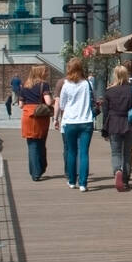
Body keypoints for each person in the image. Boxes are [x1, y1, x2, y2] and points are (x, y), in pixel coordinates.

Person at [102, 64, 132, 192]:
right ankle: (125, 180)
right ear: (127, 75)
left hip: (114, 123)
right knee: (127, 152)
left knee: (116, 152)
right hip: (129, 124)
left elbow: (105, 112)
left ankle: (117, 171)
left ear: (115, 75)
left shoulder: (109, 91)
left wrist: (105, 129)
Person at [56, 58, 95, 191]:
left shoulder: (66, 84)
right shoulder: (87, 83)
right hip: (86, 121)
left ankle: (72, 181)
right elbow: (92, 99)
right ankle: (83, 183)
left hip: (70, 121)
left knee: (71, 152)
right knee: (84, 153)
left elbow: (61, 105)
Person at [18, 65, 53, 181]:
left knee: (31, 145)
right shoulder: (44, 85)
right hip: (40, 116)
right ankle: (40, 168)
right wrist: (53, 100)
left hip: (27, 116)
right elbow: (48, 101)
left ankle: (34, 172)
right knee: (41, 143)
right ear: (40, 73)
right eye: (45, 71)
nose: (46, 73)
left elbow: (20, 105)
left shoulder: (24, 85)